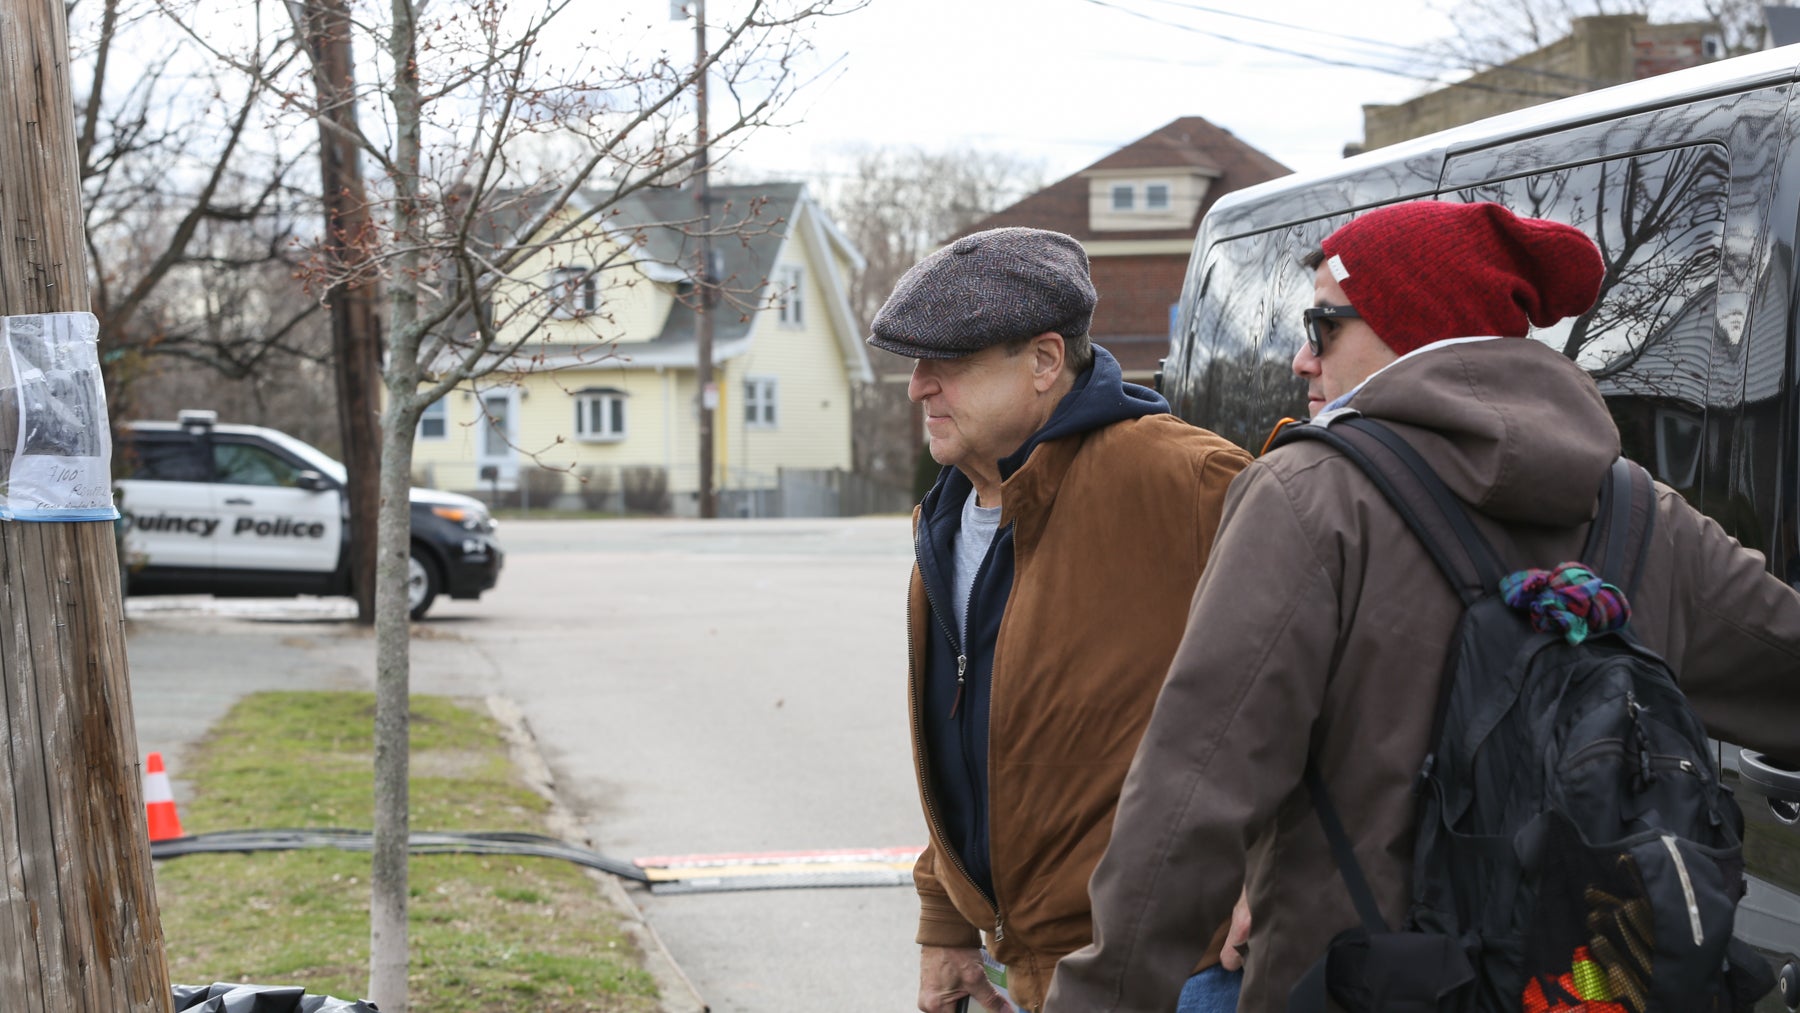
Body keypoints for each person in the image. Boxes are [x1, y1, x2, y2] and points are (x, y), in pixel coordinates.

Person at [1041, 200, 1800, 1011]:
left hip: (1358, 984)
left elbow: (1189, 798)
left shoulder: (1309, 498)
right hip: (1582, 985)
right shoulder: (1644, 512)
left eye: (1321, 324)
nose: (1302, 359)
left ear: (1412, 322)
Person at [869, 227, 1254, 1013]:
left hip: (1176, 973)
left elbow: (1328, 697)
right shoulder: (950, 515)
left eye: (949, 361)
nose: (918, 388)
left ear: (1046, 360)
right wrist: (946, 919)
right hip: (1024, 969)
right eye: (915, 362)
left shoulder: (1191, 482)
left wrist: (1272, 875)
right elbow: (975, 747)